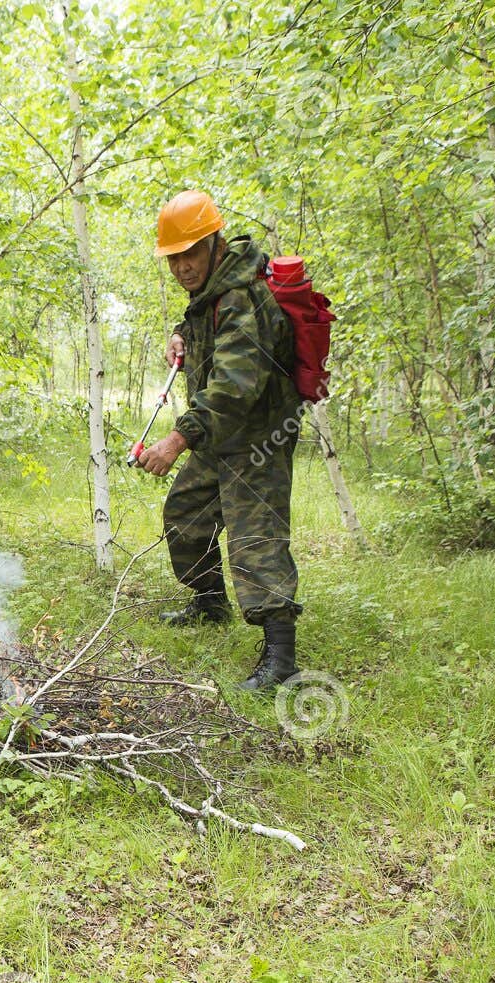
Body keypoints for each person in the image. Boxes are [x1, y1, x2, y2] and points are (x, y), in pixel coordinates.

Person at [135, 189, 302, 692]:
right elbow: (215, 340)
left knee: (255, 539)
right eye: (174, 258)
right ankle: (209, 605)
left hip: (258, 436)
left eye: (191, 254)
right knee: (185, 514)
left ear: (214, 242)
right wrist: (182, 337)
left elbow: (235, 384)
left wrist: (177, 439)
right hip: (220, 435)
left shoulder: (242, 295)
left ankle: (281, 660)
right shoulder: (214, 291)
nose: (183, 267)